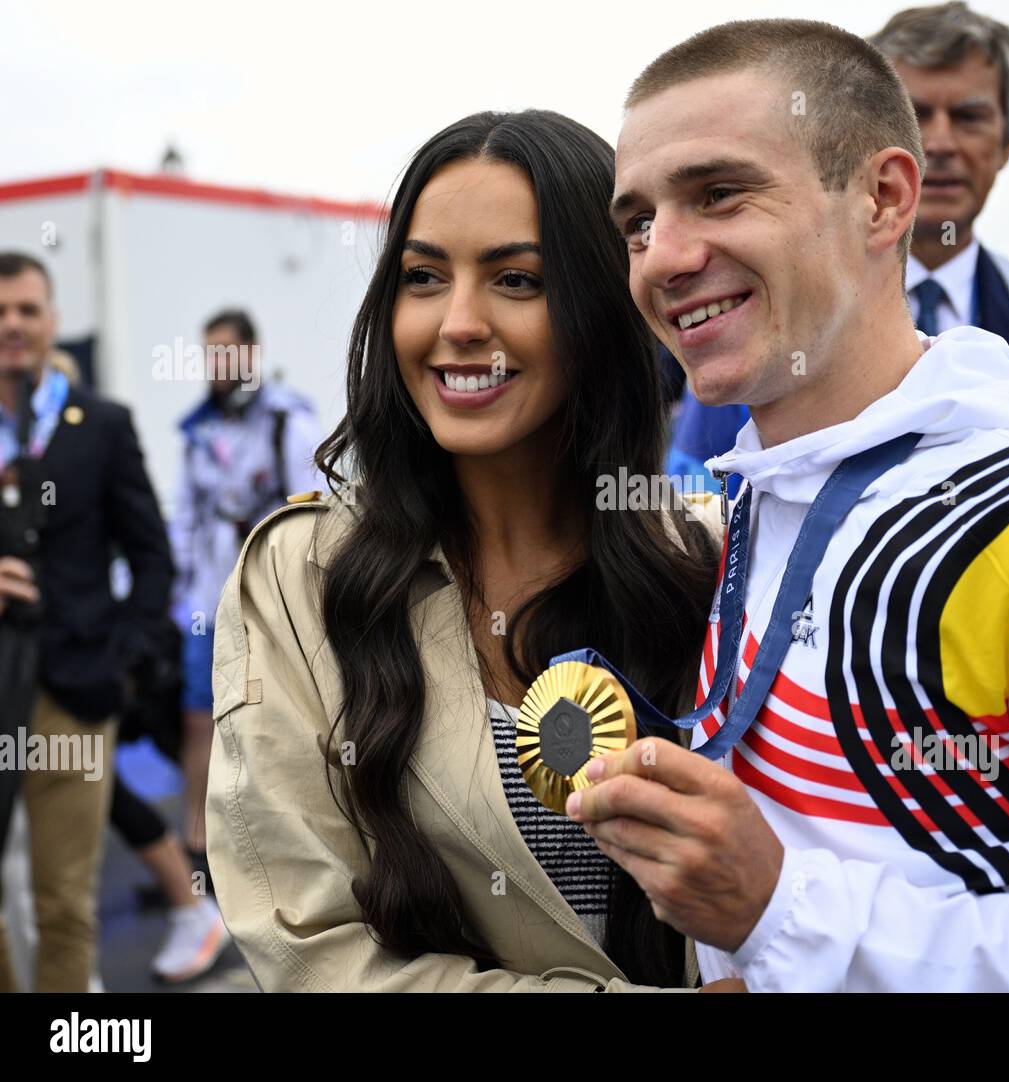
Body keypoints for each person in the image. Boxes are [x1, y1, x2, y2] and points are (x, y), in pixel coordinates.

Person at [569, 17, 1009, 992]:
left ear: (883, 199)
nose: (662, 257)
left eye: (719, 193)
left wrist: (781, 907)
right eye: (639, 222)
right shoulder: (761, 486)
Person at [205, 110, 726, 991]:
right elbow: (309, 950)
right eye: (422, 277)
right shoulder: (298, 579)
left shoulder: (712, 560)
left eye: (516, 280)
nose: (458, 323)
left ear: (601, 303)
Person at [665, 2, 1009, 489]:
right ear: (857, 139)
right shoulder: (756, 322)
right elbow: (698, 518)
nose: (938, 142)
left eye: (969, 117)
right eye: (915, 115)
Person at [0, 251, 174, 992]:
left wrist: (126, 656)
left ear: (53, 322)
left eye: (27, 310)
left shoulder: (101, 425)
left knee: (65, 900)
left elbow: (151, 554)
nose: (12, 324)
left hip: (76, 688)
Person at [168, 308, 321, 881]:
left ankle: (277, 842)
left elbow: (313, 512)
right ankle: (196, 840)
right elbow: (185, 515)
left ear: (250, 355)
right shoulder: (198, 431)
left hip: (268, 598)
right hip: (207, 601)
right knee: (197, 717)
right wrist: (177, 596)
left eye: (226, 353)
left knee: (270, 716)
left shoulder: (287, 421)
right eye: (209, 354)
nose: (217, 366)